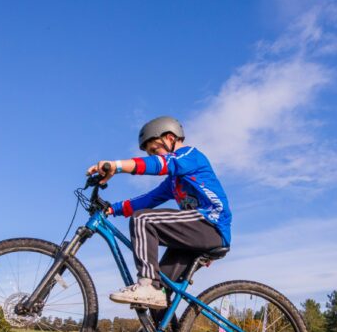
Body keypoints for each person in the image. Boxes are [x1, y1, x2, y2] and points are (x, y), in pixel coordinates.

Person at [86, 116, 231, 310]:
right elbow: (149, 199)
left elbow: (162, 164)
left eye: (155, 151)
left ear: (170, 138)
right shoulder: (174, 182)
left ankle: (147, 284)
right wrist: (113, 209)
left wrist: (116, 166)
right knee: (159, 295)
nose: (155, 156)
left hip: (211, 224)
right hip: (195, 234)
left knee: (144, 219)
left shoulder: (190, 156)